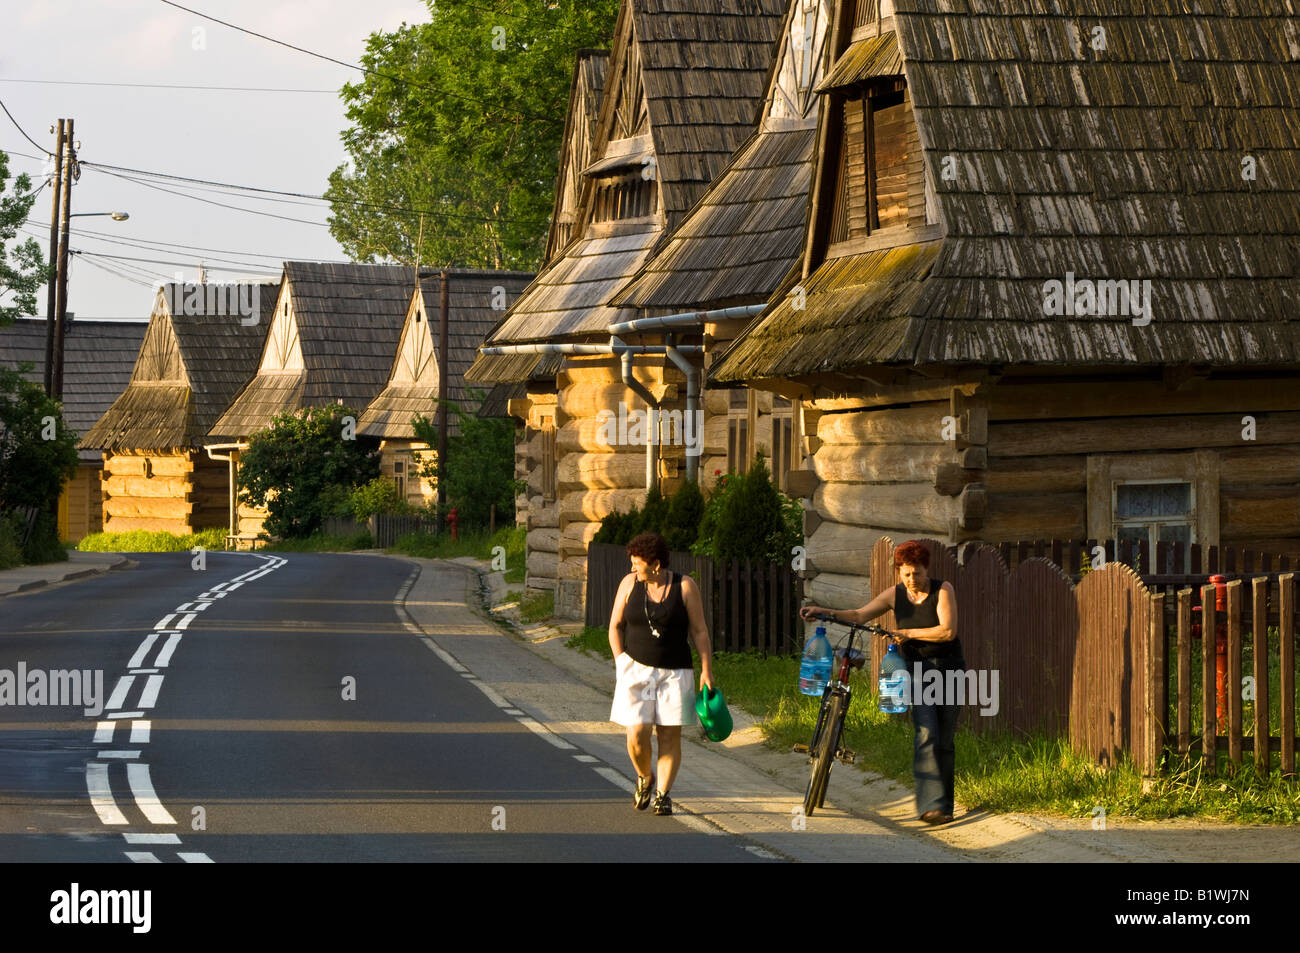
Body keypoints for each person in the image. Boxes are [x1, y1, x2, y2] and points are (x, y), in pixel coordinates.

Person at [800, 540, 963, 825]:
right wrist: (824, 611)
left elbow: (947, 631)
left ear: (927, 569)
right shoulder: (894, 594)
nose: (912, 579)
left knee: (946, 741)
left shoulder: (943, 589)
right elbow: (859, 615)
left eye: (917, 573)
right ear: (899, 572)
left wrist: (910, 633)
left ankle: (944, 806)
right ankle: (930, 806)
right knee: (927, 733)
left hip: (949, 668)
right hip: (916, 669)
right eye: (907, 574)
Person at [608, 531, 715, 816]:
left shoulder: (685, 586)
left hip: (675, 673)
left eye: (636, 562)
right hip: (636, 670)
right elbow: (615, 626)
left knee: (669, 736)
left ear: (655, 564)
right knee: (637, 733)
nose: (632, 567)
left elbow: (700, 630)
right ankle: (645, 776)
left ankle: (663, 795)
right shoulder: (629, 584)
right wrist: (621, 662)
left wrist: (706, 669)